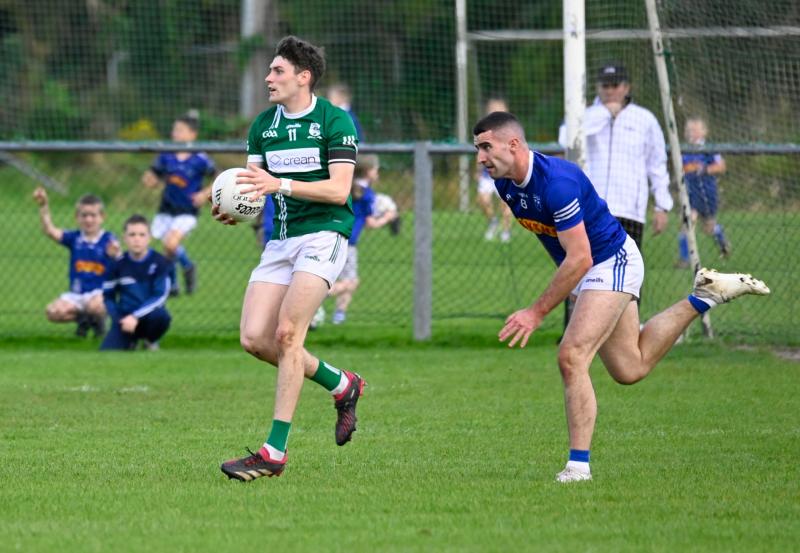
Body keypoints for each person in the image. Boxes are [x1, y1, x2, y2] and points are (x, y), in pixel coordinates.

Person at [473, 111, 769, 483]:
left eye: (486, 147)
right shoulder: (506, 184)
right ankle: (705, 296)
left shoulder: (558, 183)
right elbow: (568, 253)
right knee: (631, 367)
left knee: (571, 355)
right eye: (477, 149)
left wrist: (536, 312)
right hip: (589, 272)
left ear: (513, 144)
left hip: (611, 262)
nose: (480, 157)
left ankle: (578, 467)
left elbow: (580, 256)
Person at [213, 36, 366, 483]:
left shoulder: (335, 121)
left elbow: (339, 190)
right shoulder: (263, 125)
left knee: (287, 333)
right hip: (281, 241)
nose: (268, 78)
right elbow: (252, 189)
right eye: (269, 71)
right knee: (255, 339)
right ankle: (342, 384)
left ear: (304, 77)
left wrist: (278, 185)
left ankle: (273, 452)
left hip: (325, 236)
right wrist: (231, 207)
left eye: (278, 71)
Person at [141, 112, 216, 296]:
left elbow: (219, 178)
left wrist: (204, 194)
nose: (175, 134)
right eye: (174, 130)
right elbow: (152, 176)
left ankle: (188, 267)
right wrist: (150, 180)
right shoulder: (166, 155)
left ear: (192, 135)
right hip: (166, 209)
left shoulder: (200, 158)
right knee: (168, 248)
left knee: (171, 243)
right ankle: (173, 285)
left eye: (180, 130)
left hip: (187, 211)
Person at [32, 187, 118, 338]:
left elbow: (119, 258)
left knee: (95, 306)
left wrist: (115, 254)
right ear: (77, 217)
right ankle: (84, 320)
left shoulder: (108, 239)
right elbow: (49, 230)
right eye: (84, 215)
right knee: (52, 312)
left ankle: (100, 323)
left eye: (93, 215)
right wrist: (43, 206)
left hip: (99, 294)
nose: (88, 220)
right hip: (77, 294)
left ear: (102, 217)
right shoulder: (74, 238)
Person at [329, 154, 398, 325]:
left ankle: (339, 315)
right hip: (348, 242)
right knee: (352, 281)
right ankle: (318, 294)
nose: (377, 172)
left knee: (346, 278)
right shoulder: (367, 195)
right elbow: (371, 224)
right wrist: (388, 217)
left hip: (331, 236)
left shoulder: (345, 185)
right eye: (376, 169)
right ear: (368, 172)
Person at [100, 214, 172, 351]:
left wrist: (135, 316)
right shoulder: (118, 264)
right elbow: (108, 296)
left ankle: (150, 340)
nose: (137, 239)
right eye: (132, 235)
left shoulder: (159, 262)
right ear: (125, 238)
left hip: (148, 316)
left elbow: (160, 296)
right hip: (125, 319)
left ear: (149, 238)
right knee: (108, 353)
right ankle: (130, 341)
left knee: (162, 316)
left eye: (142, 235)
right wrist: (119, 319)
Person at [677, 117, 730, 268]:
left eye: (695, 130)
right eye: (688, 130)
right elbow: (682, 169)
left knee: (708, 227)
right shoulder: (685, 151)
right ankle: (685, 259)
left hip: (707, 194)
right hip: (691, 194)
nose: (691, 133)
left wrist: (704, 169)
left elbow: (721, 166)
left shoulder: (709, 149)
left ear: (704, 132)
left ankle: (721, 239)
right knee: (687, 222)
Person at [477, 97, 514, 243]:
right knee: (483, 200)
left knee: (505, 202)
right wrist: (478, 169)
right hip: (487, 172)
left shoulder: (510, 129)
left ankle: (505, 231)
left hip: (504, 172)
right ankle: (493, 222)